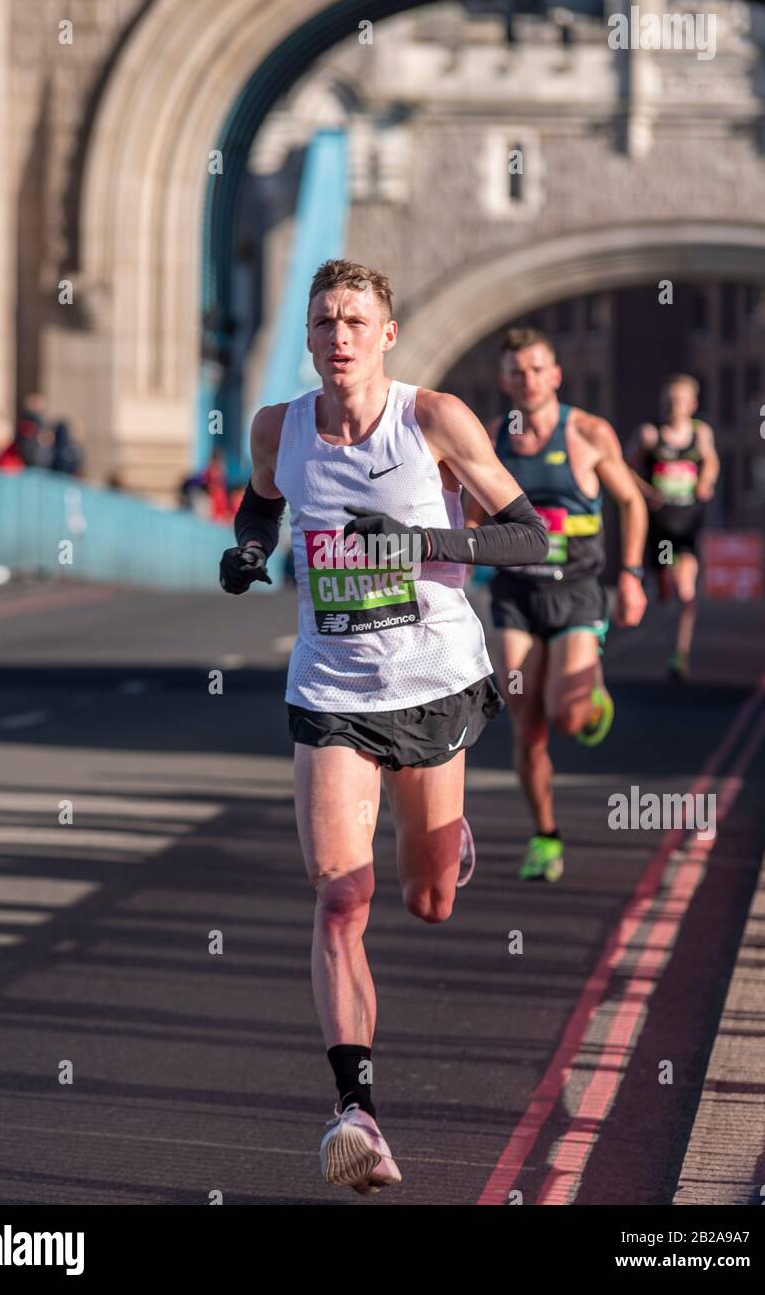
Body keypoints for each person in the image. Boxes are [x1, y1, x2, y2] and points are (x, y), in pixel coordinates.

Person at [220, 260, 548, 1194]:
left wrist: (419, 543)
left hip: (432, 682)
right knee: (338, 897)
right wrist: (250, 550)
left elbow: (530, 538)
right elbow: (262, 501)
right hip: (329, 688)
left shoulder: (432, 420)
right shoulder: (277, 428)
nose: (338, 337)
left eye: (355, 321)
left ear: (386, 334)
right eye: (323, 322)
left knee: (428, 899)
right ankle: (354, 1111)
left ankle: (449, 842)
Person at [465, 328, 648, 885]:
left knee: (566, 716)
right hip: (516, 596)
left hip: (578, 591)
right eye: (518, 372)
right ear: (505, 381)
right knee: (528, 724)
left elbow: (632, 500)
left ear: (555, 375)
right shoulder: (492, 438)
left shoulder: (589, 433)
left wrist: (633, 576)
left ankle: (589, 696)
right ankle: (545, 835)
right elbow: (472, 515)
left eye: (538, 369)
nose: (528, 380)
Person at [627, 375, 719, 681]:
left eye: (679, 400)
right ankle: (661, 585)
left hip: (688, 524)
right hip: (661, 529)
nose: (673, 406)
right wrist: (647, 491)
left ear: (692, 404)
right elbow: (623, 467)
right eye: (668, 400)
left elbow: (711, 461)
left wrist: (705, 481)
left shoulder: (700, 433)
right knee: (666, 590)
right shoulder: (650, 435)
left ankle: (680, 654)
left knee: (687, 592)